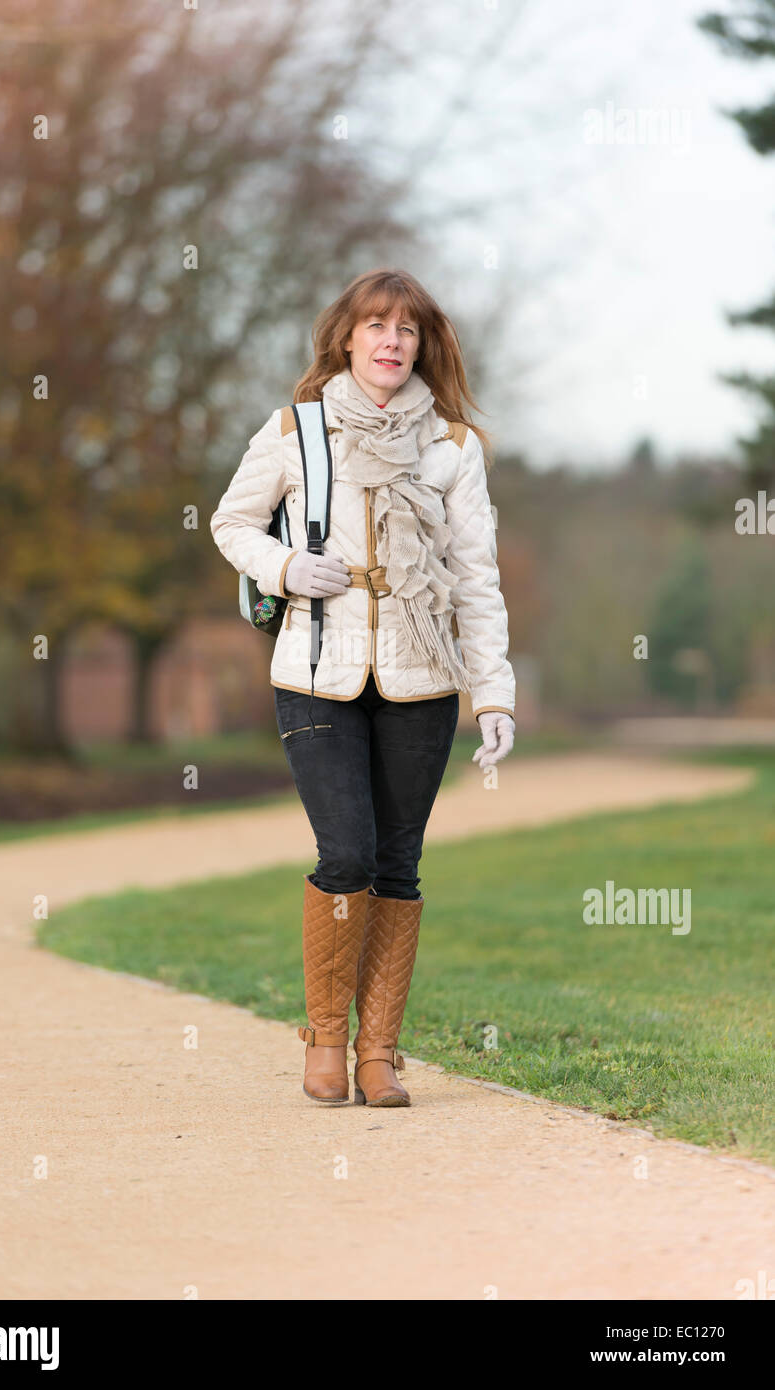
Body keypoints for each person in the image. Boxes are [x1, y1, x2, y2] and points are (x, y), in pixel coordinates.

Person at [210, 268, 515, 1108]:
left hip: (423, 681)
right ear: (345, 338)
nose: (390, 341)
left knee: (397, 865)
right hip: (315, 674)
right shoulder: (294, 432)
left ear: (423, 346)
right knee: (343, 853)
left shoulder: (452, 449)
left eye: (406, 330)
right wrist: (282, 565)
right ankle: (326, 1036)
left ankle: (379, 1053)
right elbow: (230, 521)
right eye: (375, 325)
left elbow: (476, 581)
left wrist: (493, 695)